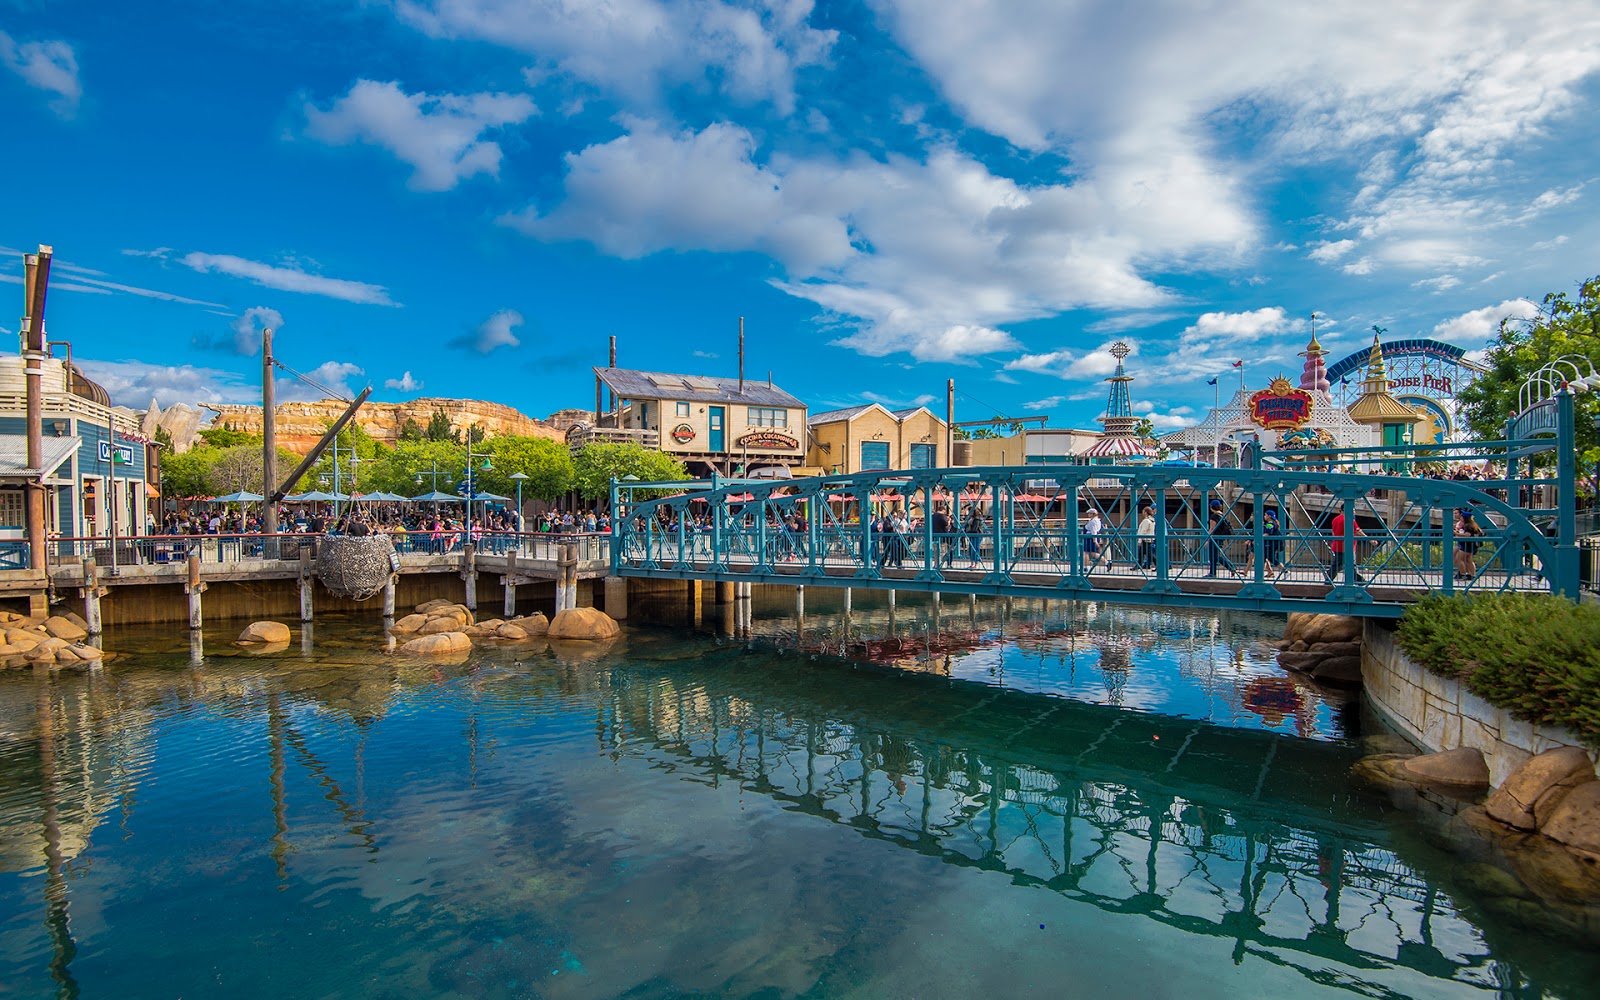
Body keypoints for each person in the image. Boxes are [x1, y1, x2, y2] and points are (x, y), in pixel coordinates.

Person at [1326, 507, 1367, 583]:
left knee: (1338, 564)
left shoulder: (1335, 519)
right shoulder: (1349, 519)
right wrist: (1369, 539)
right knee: (1350, 564)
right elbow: (1358, 531)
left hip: (1337, 545)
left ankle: (1328, 579)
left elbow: (1333, 532)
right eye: (1353, 510)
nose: (1354, 512)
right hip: (1347, 546)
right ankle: (1360, 581)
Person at [1206, 498, 1238, 577]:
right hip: (1220, 538)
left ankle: (1229, 567)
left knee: (1213, 556)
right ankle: (1215, 572)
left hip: (1214, 538)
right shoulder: (1222, 515)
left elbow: (1212, 529)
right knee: (1215, 555)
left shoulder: (1214, 516)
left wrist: (1207, 540)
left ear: (1211, 507)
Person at [1454, 508, 1483, 582]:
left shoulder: (1468, 526)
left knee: (1459, 558)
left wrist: (1456, 533)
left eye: (1462, 517)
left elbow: (1467, 535)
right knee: (1468, 560)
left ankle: (1462, 573)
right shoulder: (1472, 524)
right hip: (1470, 544)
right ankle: (1472, 574)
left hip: (1467, 545)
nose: (1460, 518)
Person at [1262, 507, 1284, 575]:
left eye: (1265, 515)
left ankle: (1284, 570)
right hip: (1272, 543)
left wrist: (1258, 538)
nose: (1264, 516)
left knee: (1271, 558)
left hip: (1271, 544)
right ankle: (1267, 572)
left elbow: (1267, 534)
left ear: (1269, 516)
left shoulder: (1270, 524)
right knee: (1263, 557)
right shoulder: (1273, 523)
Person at [1136, 503, 1156, 570]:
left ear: (1145, 512)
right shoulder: (1152, 520)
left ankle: (1159, 565)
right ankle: (1138, 565)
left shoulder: (1146, 521)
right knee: (1142, 553)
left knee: (1148, 554)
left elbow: (1143, 531)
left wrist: (1139, 540)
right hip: (1149, 539)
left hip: (1145, 539)